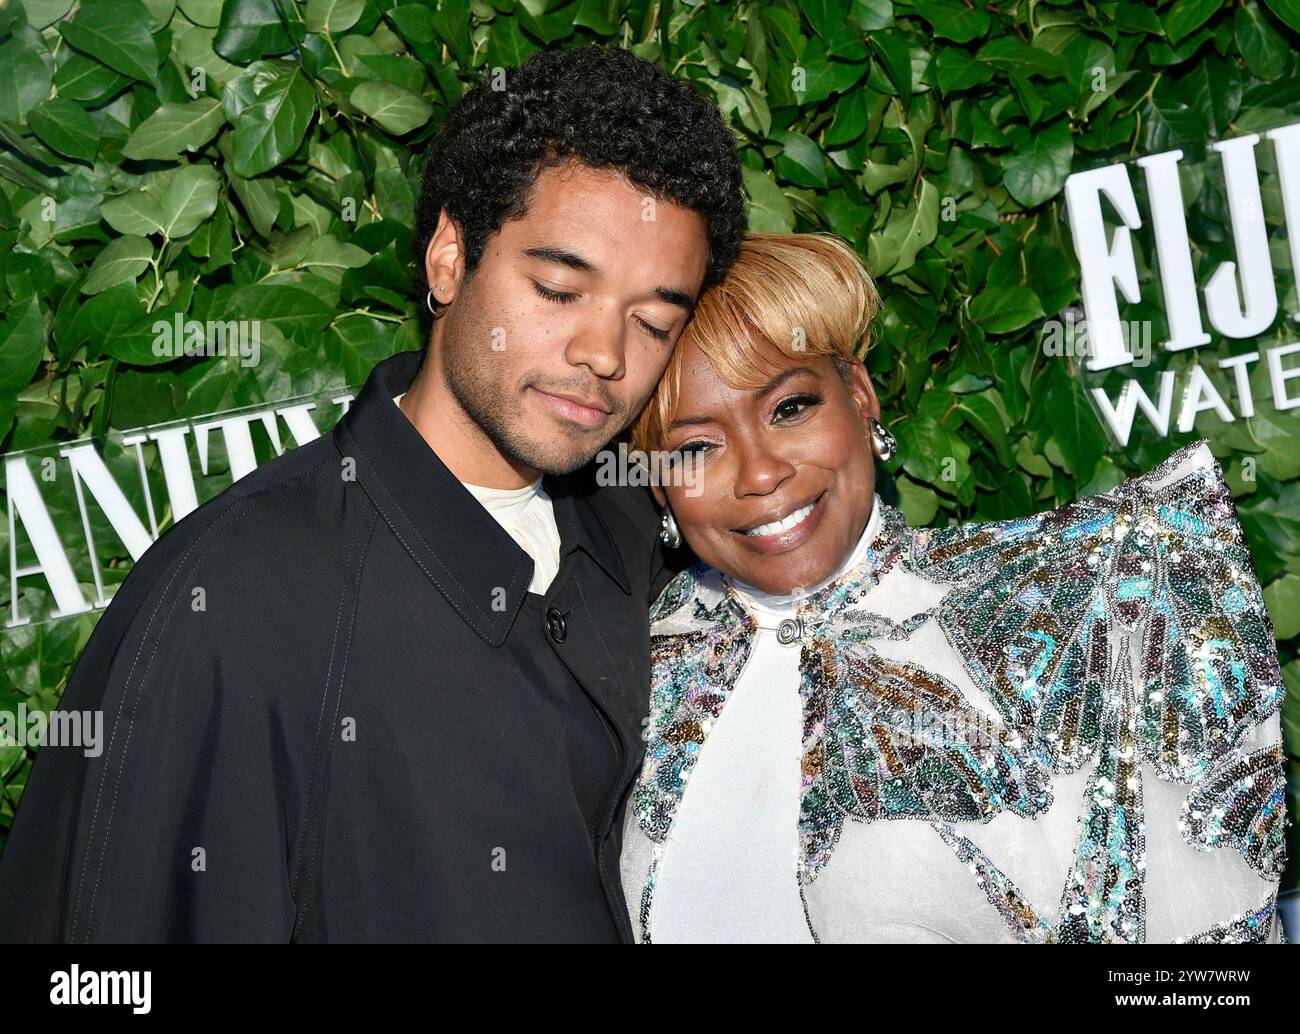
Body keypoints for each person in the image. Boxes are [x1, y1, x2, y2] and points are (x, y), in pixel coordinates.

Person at [0, 45, 745, 943]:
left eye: (655, 321)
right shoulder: (238, 599)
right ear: (447, 260)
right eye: (557, 289)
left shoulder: (632, 523)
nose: (606, 354)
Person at [619, 232, 1290, 943]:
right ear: (657, 487)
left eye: (789, 408)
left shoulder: (1081, 606)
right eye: (696, 447)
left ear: (859, 396)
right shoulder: (633, 657)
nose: (758, 474)